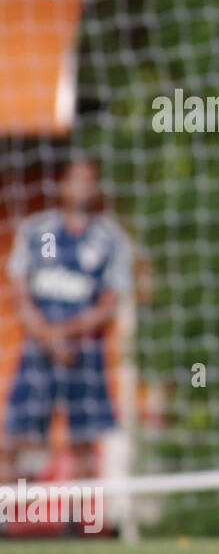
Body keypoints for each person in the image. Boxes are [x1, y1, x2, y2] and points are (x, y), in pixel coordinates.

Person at [0, 159, 130, 485]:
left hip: (83, 353)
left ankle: (79, 527)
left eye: (90, 181)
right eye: (76, 180)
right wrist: (45, 334)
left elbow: (110, 303)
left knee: (85, 441)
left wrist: (64, 334)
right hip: (36, 351)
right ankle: (5, 518)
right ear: (62, 184)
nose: (82, 188)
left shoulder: (110, 240)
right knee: (12, 437)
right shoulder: (37, 231)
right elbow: (18, 287)